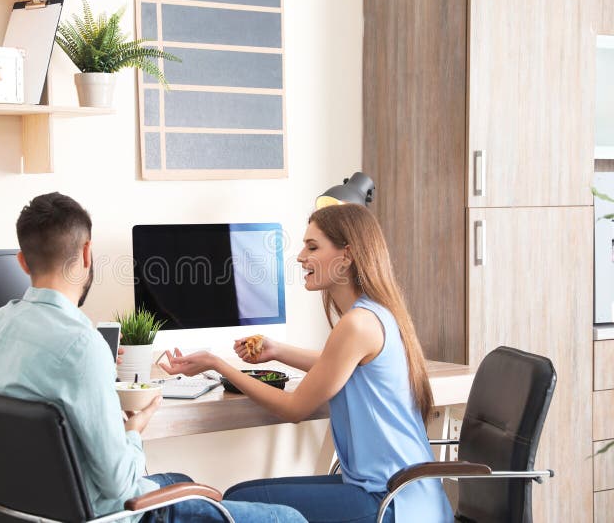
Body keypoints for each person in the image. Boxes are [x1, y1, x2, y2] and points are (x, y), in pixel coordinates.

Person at [0, 192, 305, 523]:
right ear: (86, 254)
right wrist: (133, 430)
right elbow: (120, 487)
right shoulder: (84, 345)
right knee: (289, 517)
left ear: (23, 261)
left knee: (180, 480)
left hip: (34, 509)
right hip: (111, 514)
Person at [160, 203, 454, 523]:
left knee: (236, 504)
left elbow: (294, 409)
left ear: (346, 255)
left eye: (312, 247)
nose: (300, 257)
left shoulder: (357, 325)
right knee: (239, 495)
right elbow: (338, 365)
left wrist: (219, 365)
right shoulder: (375, 314)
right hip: (401, 493)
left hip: (393, 503)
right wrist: (276, 350)